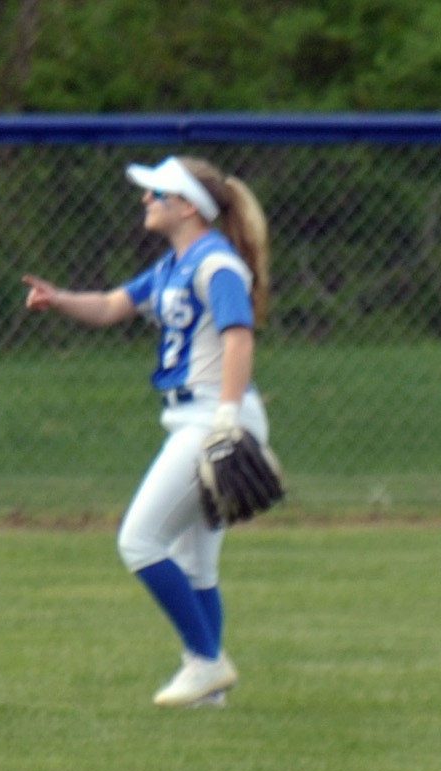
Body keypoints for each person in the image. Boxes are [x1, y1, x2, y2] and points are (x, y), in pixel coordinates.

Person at [22, 156, 272, 708]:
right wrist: (61, 299)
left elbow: (239, 338)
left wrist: (227, 418)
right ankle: (210, 689)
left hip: (213, 415)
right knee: (195, 564)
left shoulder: (216, 264)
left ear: (185, 206)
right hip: (197, 415)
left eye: (156, 192)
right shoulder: (172, 266)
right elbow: (113, 305)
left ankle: (206, 662)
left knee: (139, 541)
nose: (145, 200)